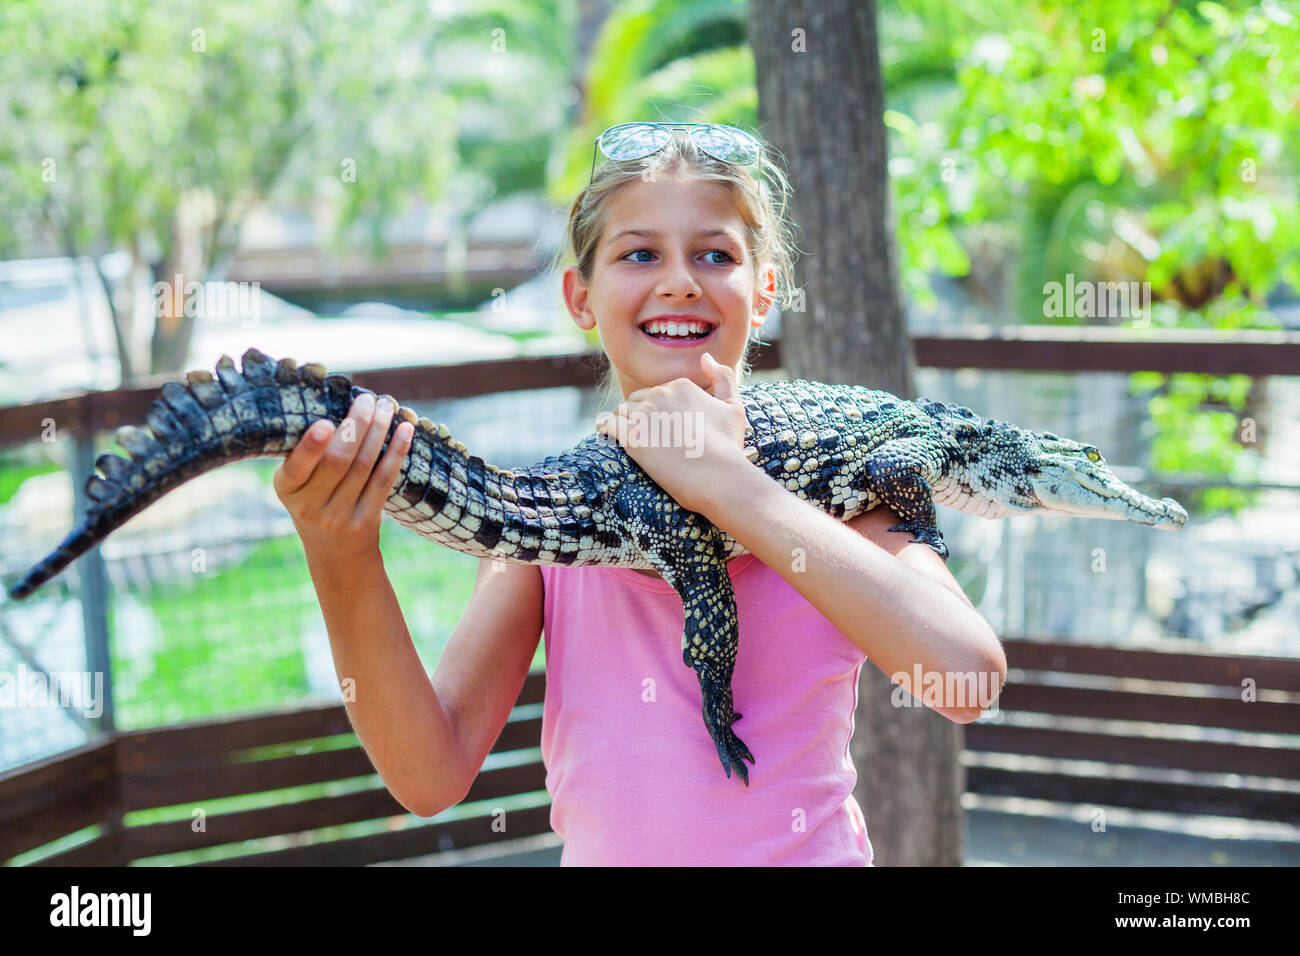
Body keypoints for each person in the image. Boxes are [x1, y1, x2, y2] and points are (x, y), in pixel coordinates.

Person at [273, 123, 1006, 867]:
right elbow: (430, 774)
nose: (680, 279)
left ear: (764, 293)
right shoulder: (550, 512)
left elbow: (967, 678)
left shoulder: (846, 491)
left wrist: (727, 483)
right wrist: (341, 553)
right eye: (640, 253)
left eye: (715, 254)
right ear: (580, 296)